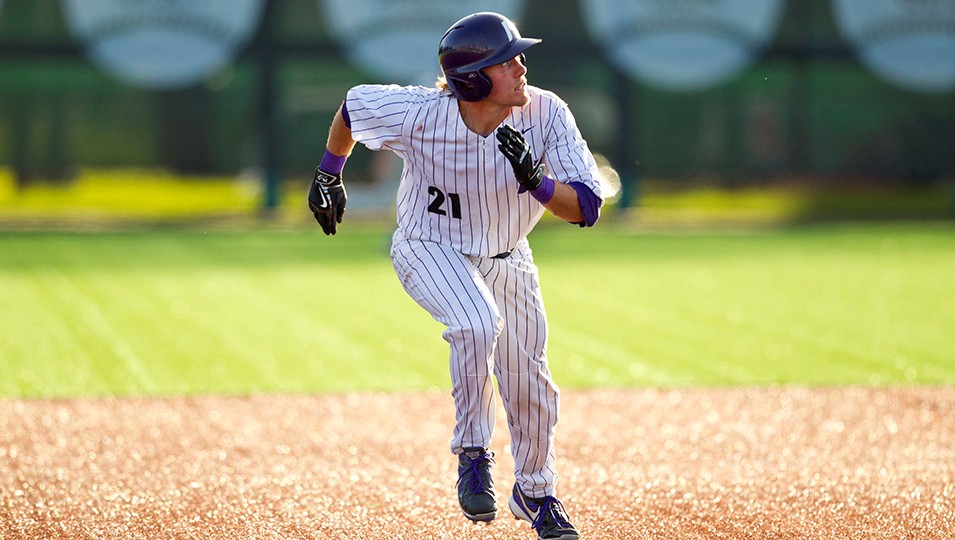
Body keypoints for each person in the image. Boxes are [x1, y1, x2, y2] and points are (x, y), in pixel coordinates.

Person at [308, 11, 604, 540]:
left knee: (531, 387)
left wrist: (537, 182)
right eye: (505, 61)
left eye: (517, 56)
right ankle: (473, 452)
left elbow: (586, 208)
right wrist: (328, 173)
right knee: (475, 323)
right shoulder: (422, 114)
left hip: (508, 256)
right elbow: (353, 107)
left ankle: (535, 493)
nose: (521, 66)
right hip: (428, 245)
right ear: (472, 81)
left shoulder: (546, 113)